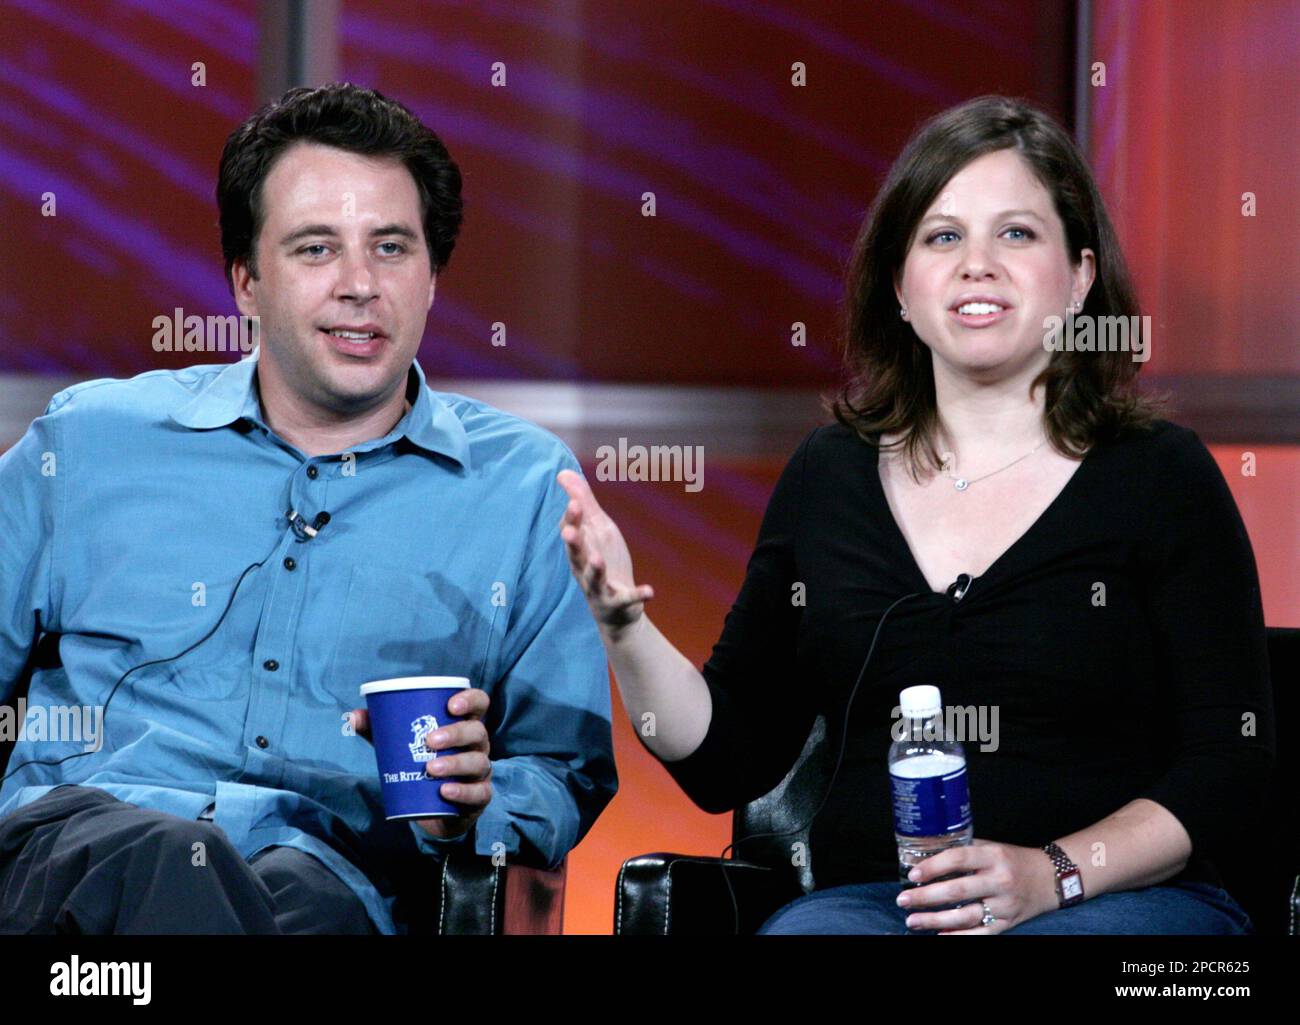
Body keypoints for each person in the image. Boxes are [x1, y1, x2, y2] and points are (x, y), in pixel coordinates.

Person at [557, 95, 1274, 935]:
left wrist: (1053, 874)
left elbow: (1232, 761)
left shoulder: (1159, 475)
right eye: (943, 236)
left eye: (1016, 233)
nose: (978, 264)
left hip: (1121, 906)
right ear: (900, 287)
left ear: (1079, 279)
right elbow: (728, 758)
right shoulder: (830, 476)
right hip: (880, 910)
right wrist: (623, 627)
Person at [0, 83, 616, 934]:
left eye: (392, 248)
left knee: (298, 899)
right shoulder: (92, 442)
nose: (360, 285)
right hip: (81, 855)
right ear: (247, 283)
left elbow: (564, 771)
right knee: (169, 857)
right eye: (317, 248)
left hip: (326, 879)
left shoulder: (520, 489)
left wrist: (475, 802)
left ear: (433, 278)